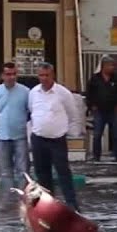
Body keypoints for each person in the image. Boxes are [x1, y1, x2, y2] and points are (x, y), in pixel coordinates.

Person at [28, 62, 82, 210]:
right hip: (38, 138)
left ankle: (72, 203)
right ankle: (48, 204)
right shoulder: (33, 92)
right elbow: (32, 110)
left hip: (57, 140)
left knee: (63, 171)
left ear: (53, 76)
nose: (44, 78)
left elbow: (73, 115)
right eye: (41, 75)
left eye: (47, 75)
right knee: (42, 173)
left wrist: (68, 132)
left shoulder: (63, 93)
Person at [0, 62, 31, 196]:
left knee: (23, 171)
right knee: (5, 171)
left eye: (14, 74)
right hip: (1, 137)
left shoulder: (25, 92)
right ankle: (8, 198)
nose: (11, 77)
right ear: (2, 75)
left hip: (20, 136)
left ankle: (22, 198)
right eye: (8, 74)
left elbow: (32, 113)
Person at [86, 56, 117, 163]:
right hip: (99, 111)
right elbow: (89, 93)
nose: (113, 67)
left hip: (114, 110)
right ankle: (96, 156)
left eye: (114, 65)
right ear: (104, 66)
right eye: (111, 65)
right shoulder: (95, 78)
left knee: (116, 134)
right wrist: (91, 105)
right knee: (97, 134)